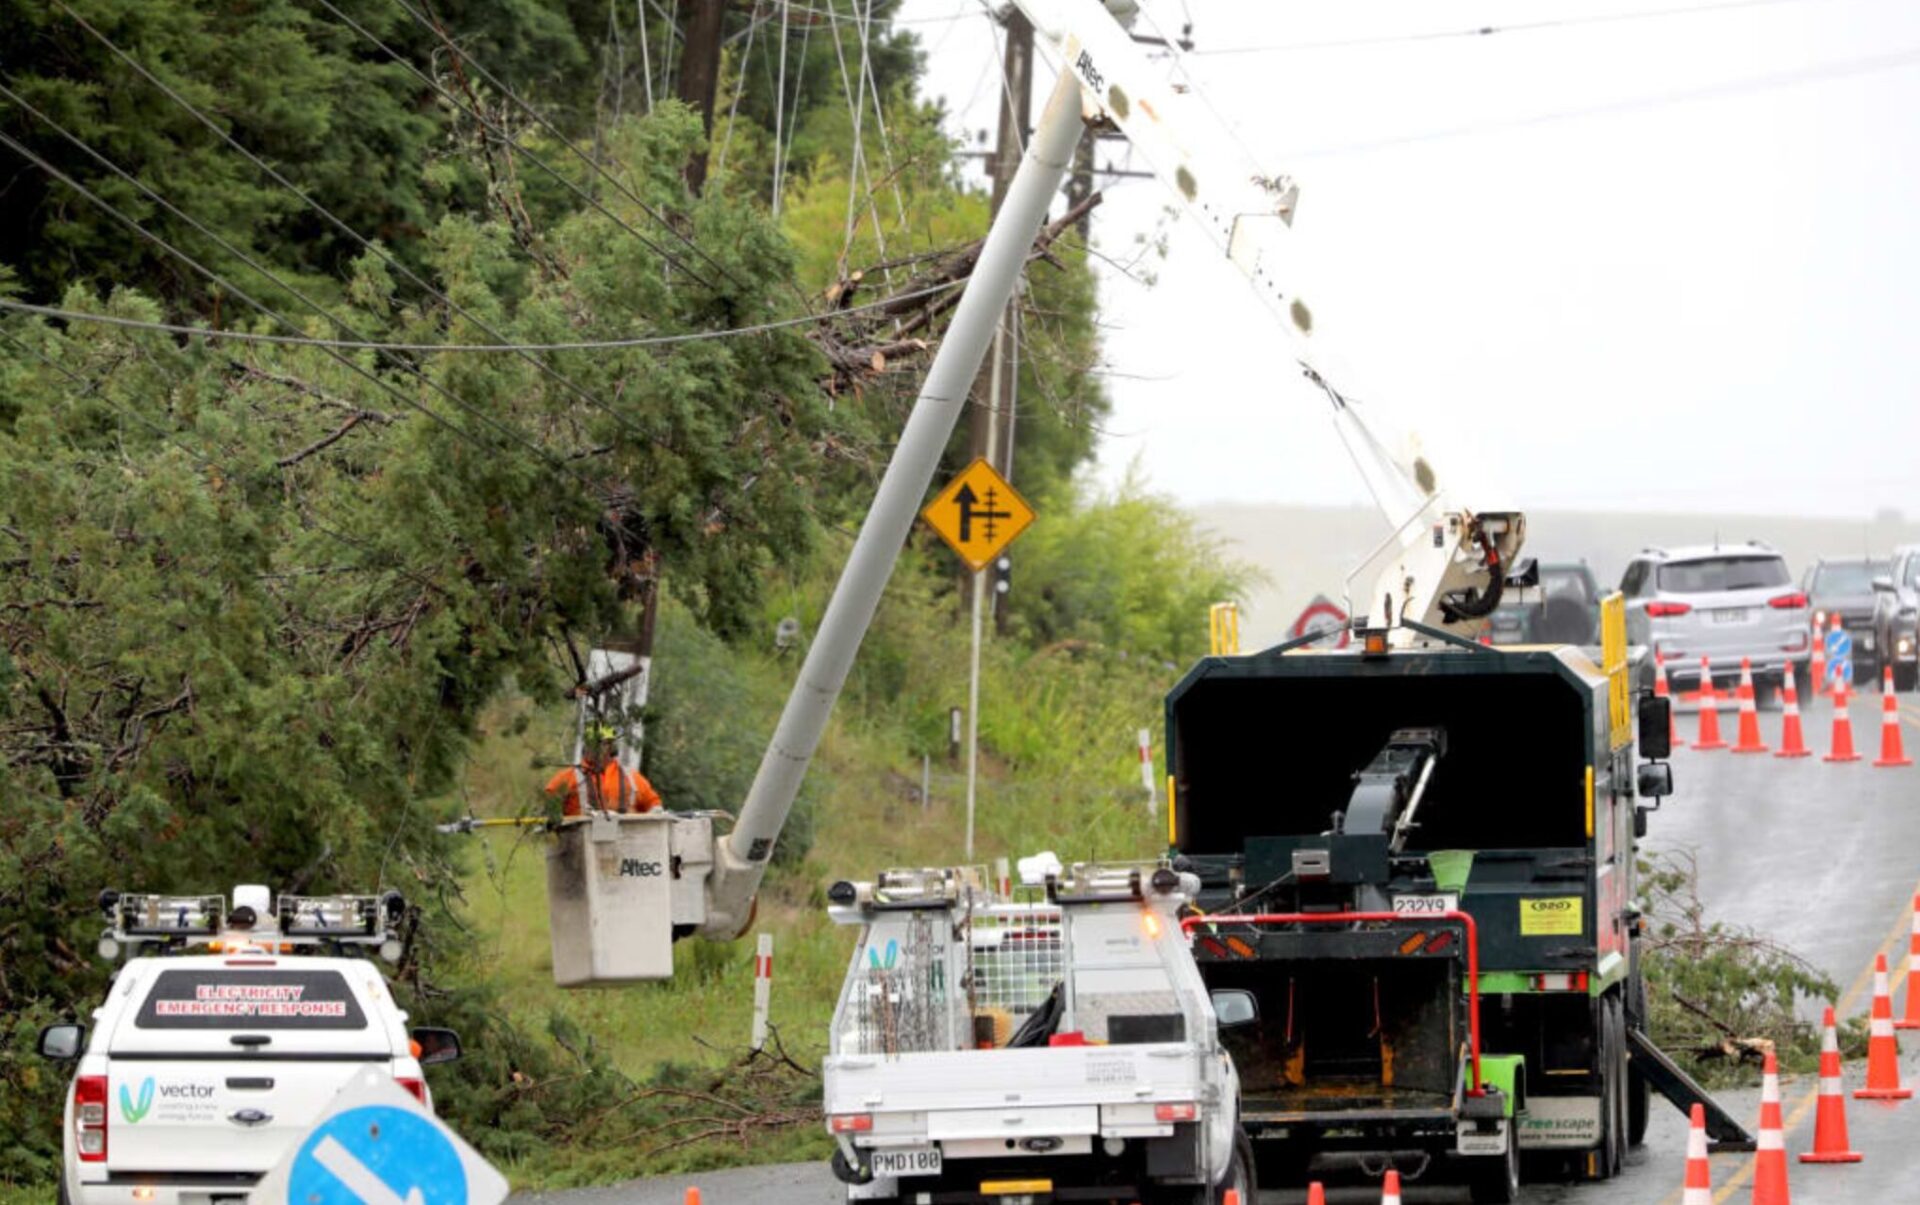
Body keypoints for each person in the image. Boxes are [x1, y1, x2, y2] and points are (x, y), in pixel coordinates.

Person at [544, 723, 663, 817]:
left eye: (601, 743)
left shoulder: (633, 778)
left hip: (626, 842)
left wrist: (654, 813)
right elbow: (548, 808)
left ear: (611, 747)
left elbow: (654, 805)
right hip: (580, 842)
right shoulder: (566, 777)